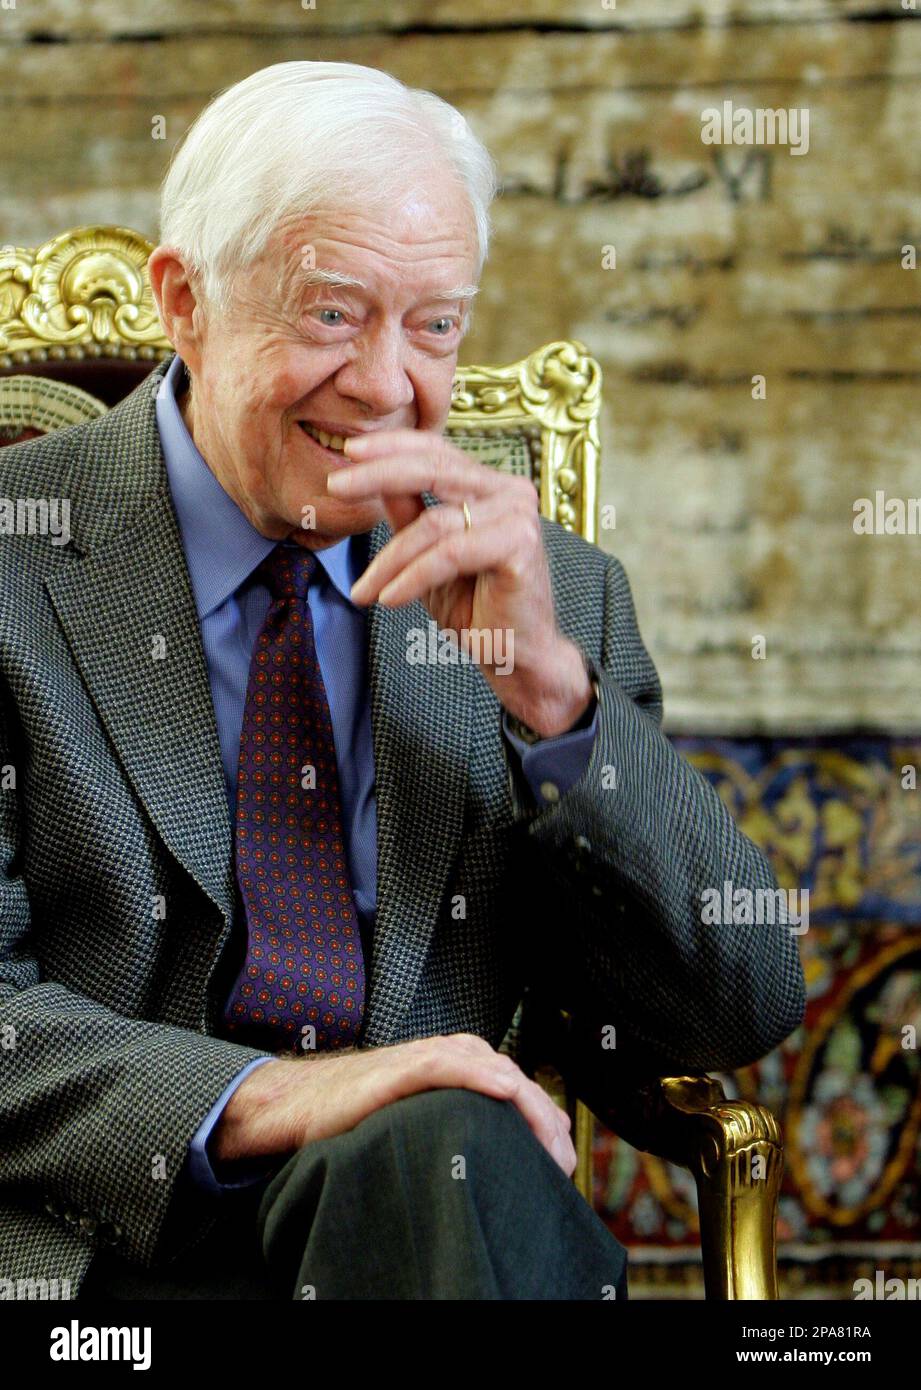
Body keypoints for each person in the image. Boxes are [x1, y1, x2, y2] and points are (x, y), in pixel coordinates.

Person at [0, 61, 805, 1301]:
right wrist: (291, 1093)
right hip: (99, 1259)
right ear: (185, 300)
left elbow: (734, 1009)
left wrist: (556, 705)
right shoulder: (14, 561)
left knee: (444, 1159)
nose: (387, 385)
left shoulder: (553, 598)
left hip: (430, 1229)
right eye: (332, 314)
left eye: (435, 324)